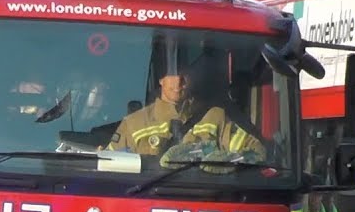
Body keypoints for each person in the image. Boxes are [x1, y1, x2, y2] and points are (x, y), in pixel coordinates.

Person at [103, 63, 266, 168]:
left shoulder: (215, 117)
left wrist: (229, 161)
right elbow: (108, 164)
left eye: (185, 74)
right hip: (145, 200)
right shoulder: (134, 123)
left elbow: (257, 152)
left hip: (205, 200)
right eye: (173, 73)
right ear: (161, 79)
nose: (179, 81)